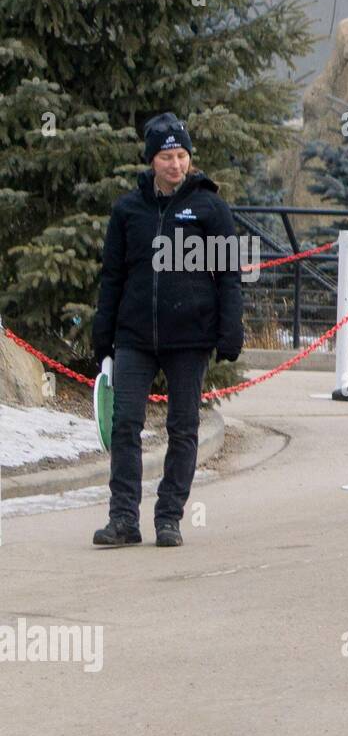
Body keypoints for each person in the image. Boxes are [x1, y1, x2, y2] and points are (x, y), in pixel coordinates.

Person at [90, 112, 243, 548]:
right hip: (135, 336)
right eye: (166, 156)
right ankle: (123, 519)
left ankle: (169, 517)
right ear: (151, 159)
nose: (175, 165)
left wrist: (229, 330)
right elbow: (113, 276)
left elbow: (229, 274)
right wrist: (105, 332)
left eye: (182, 155)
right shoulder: (128, 209)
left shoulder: (209, 206)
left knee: (182, 427)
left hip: (190, 338)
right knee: (125, 425)